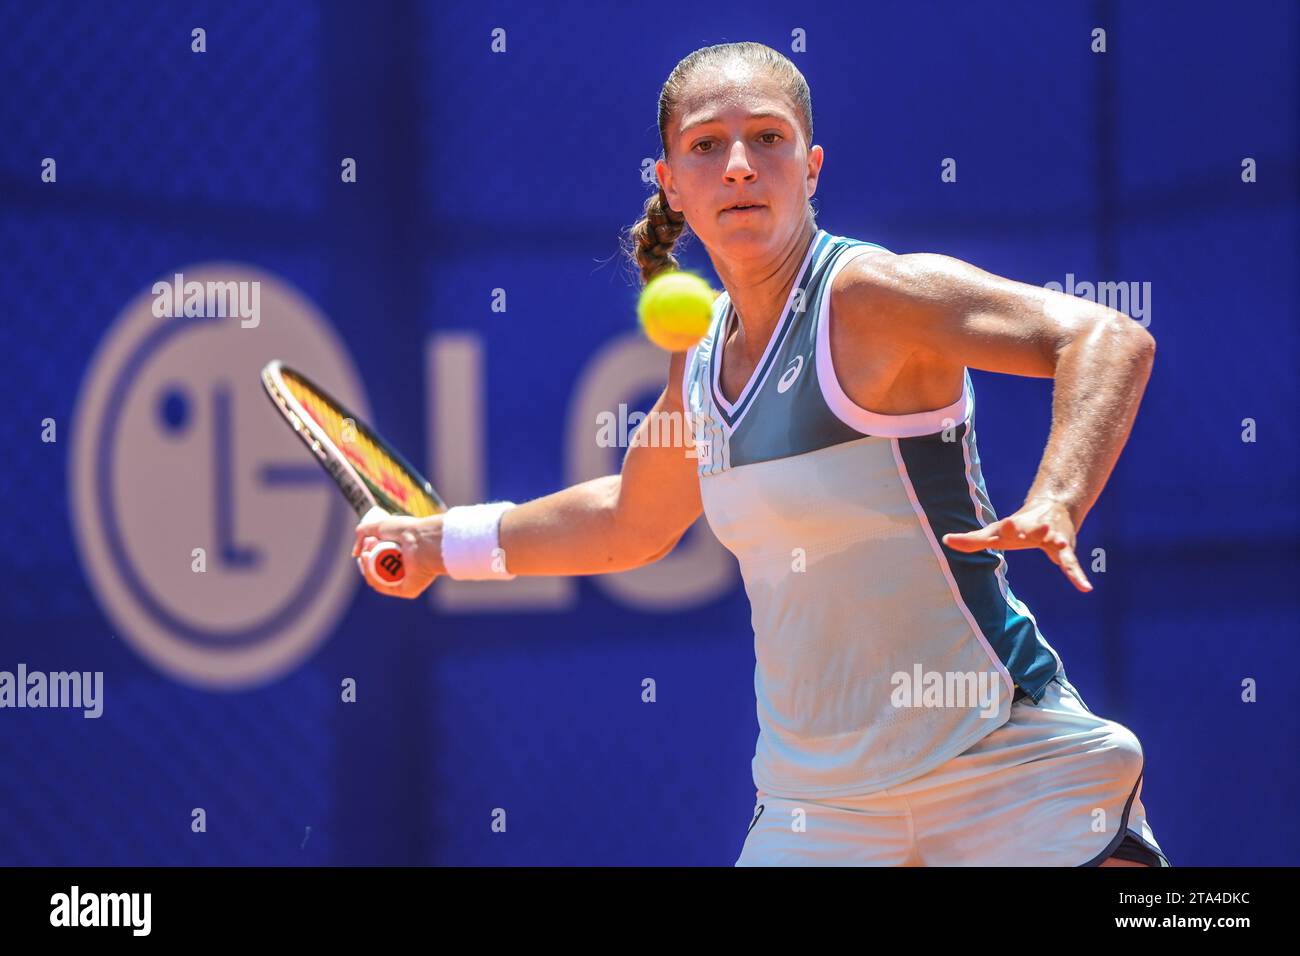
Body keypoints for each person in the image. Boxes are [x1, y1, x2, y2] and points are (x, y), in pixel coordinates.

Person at [353, 41, 1168, 867]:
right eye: (707, 145)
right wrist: (440, 542)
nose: (740, 165)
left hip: (1003, 763)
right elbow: (630, 522)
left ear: (811, 166)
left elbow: (1105, 337)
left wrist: (1059, 497)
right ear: (671, 181)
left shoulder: (869, 295)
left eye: (769, 138)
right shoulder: (699, 355)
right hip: (816, 809)